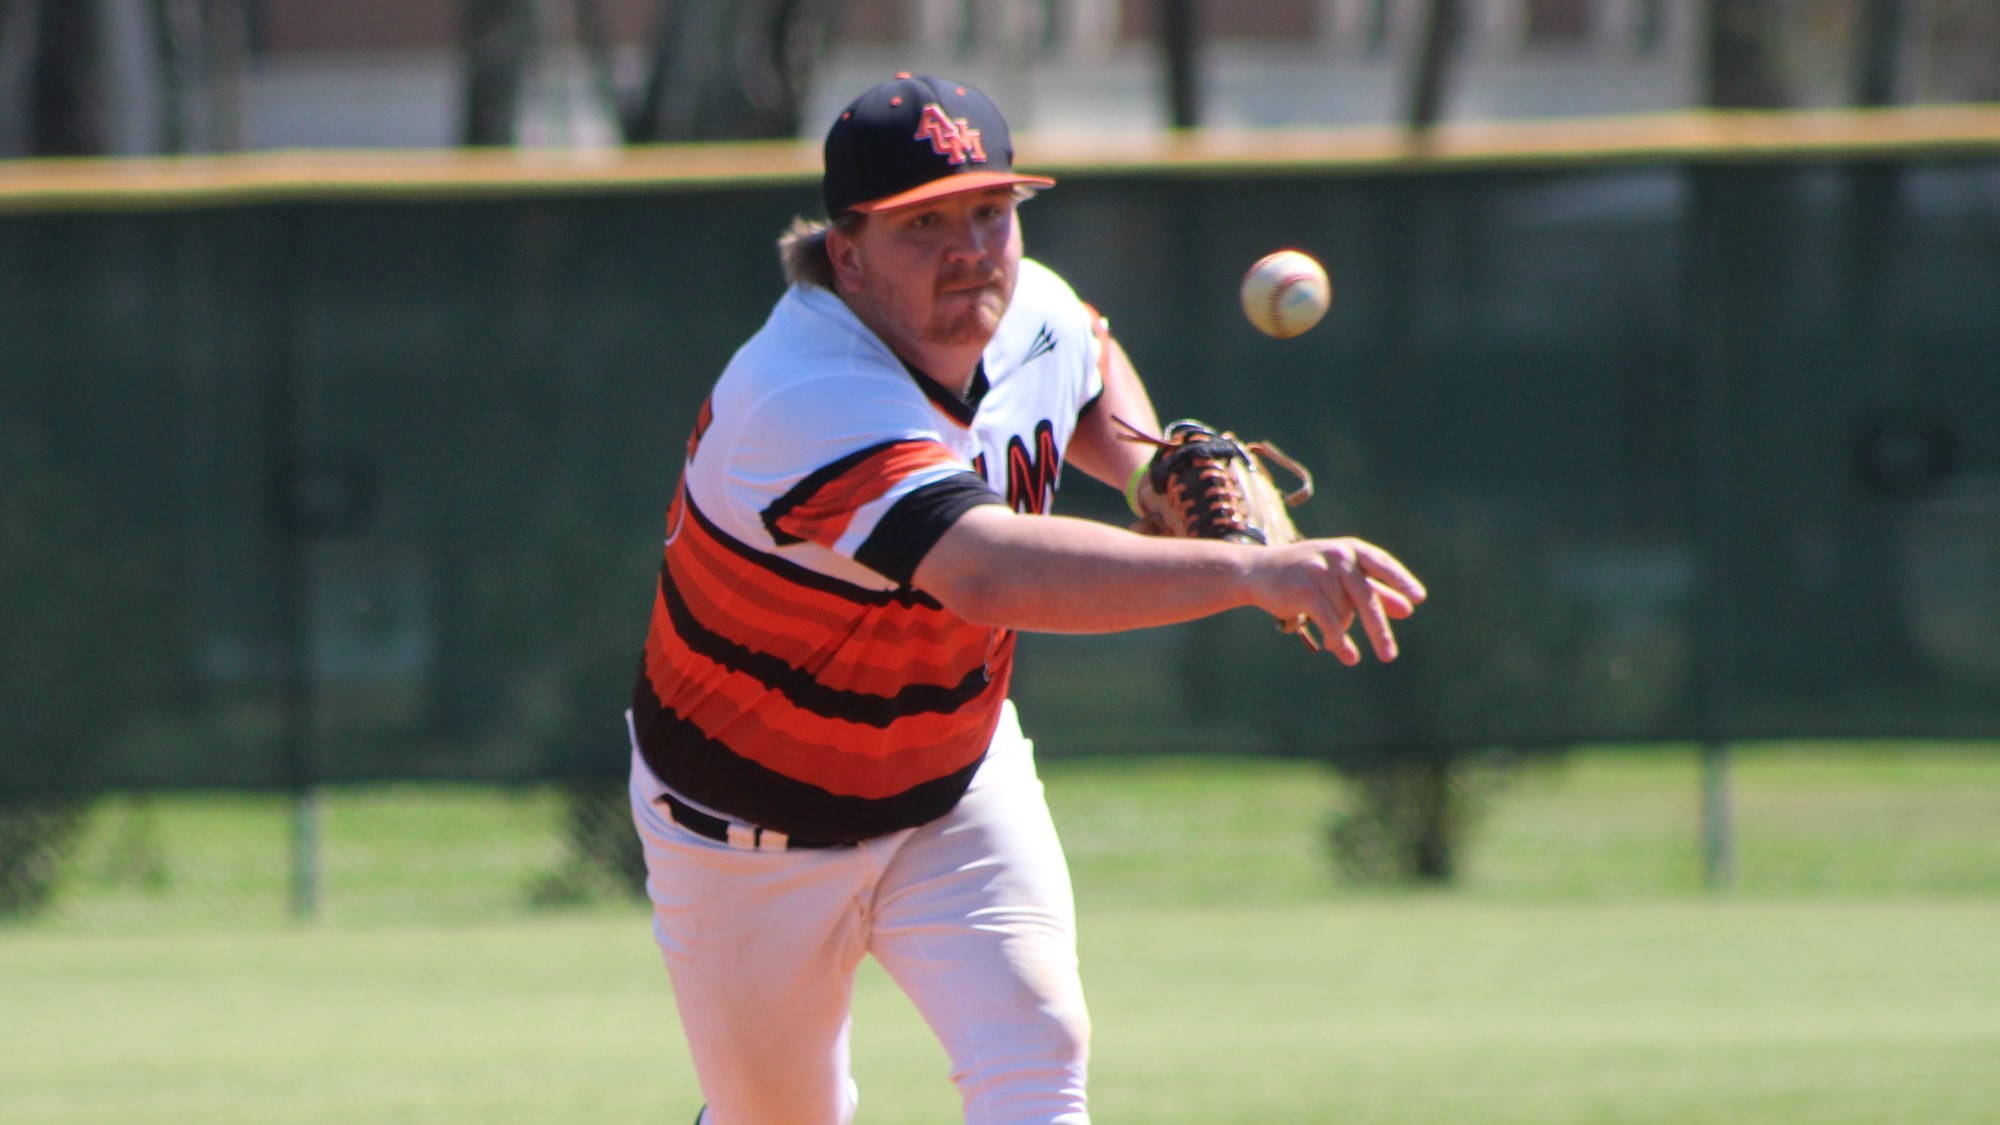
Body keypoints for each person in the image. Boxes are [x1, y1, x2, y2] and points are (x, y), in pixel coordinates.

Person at [624, 73, 1426, 1125]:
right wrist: (1244, 570)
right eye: (924, 224)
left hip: (952, 782)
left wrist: (1145, 471)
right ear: (847, 250)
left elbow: (1084, 360)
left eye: (989, 213)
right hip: (747, 824)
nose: (969, 249)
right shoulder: (804, 390)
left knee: (1036, 1058)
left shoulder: (1024, 307)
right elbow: (988, 570)